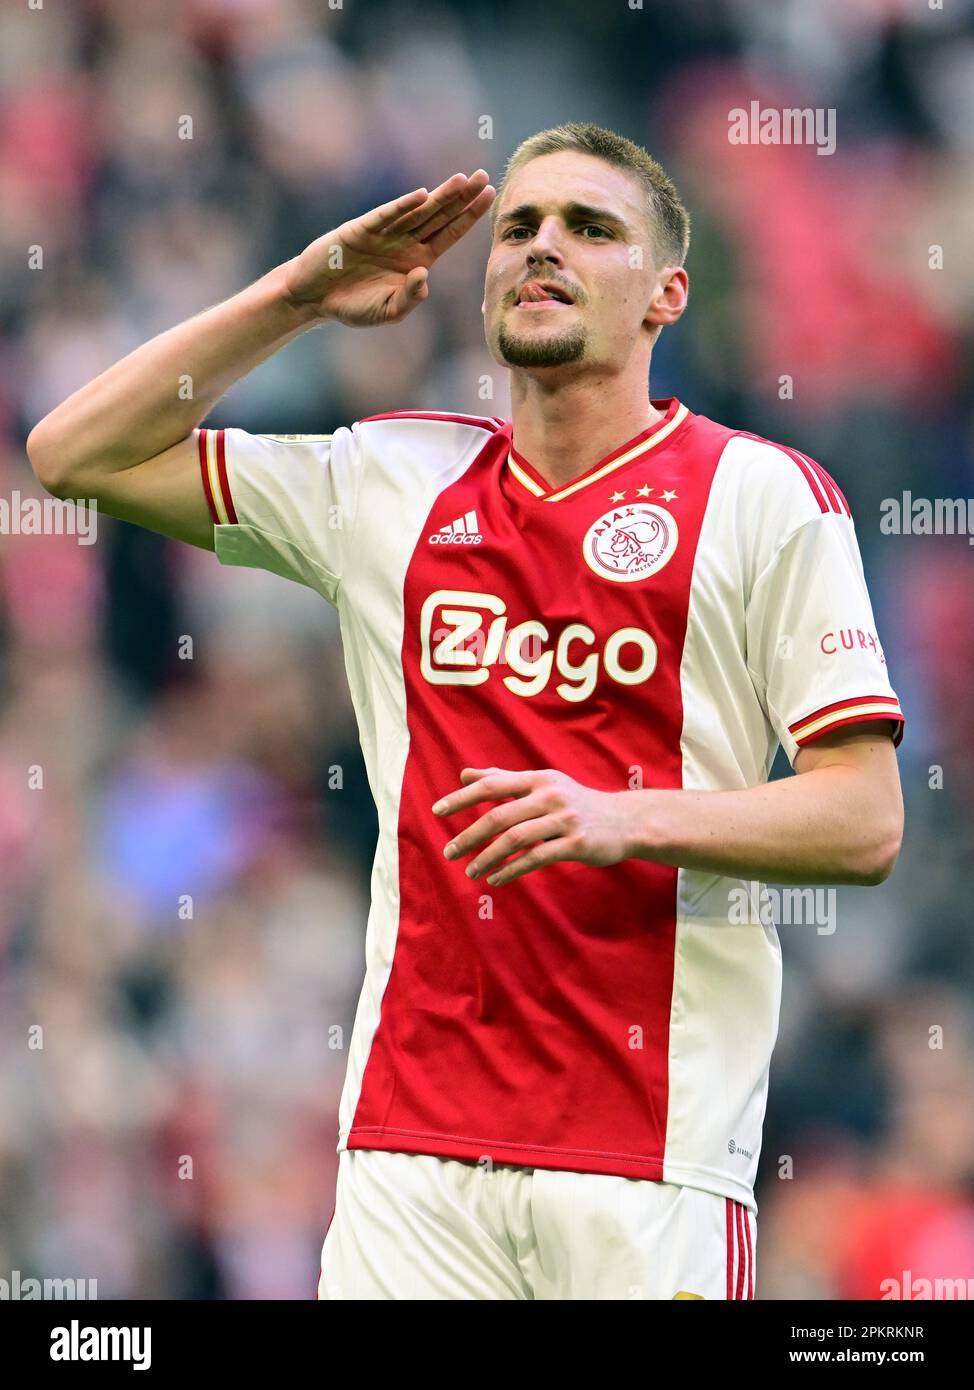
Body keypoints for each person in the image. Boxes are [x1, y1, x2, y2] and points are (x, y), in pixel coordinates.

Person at [27, 122, 905, 1301]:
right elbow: (74, 453)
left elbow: (862, 820)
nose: (543, 248)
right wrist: (298, 292)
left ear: (664, 295)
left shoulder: (761, 497)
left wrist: (620, 819)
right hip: (408, 1160)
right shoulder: (389, 482)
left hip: (645, 1166)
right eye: (519, 228)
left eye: (590, 230)